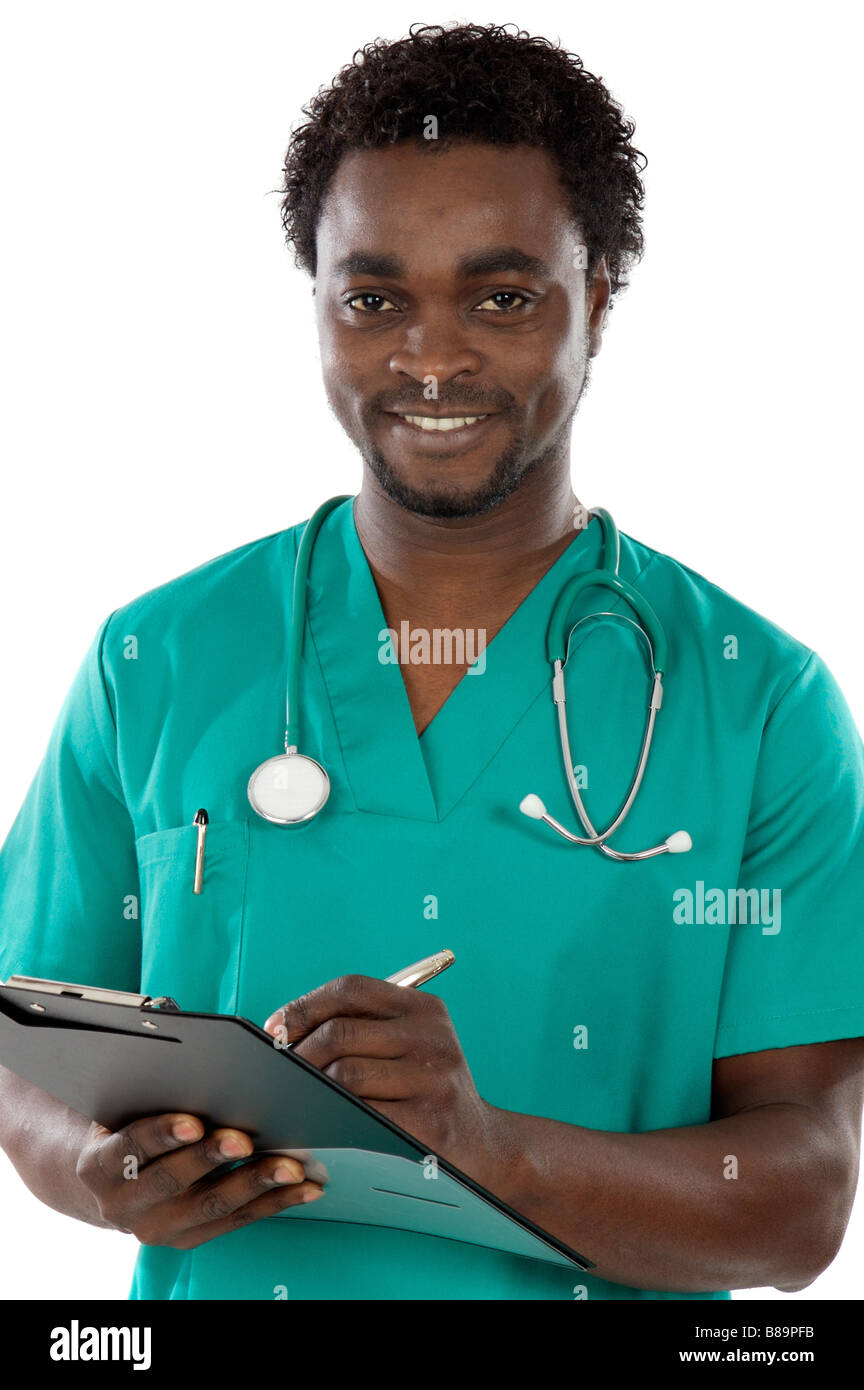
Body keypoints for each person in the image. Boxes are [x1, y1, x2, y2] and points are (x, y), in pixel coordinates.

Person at [1, 21, 863, 1303]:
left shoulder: (757, 702)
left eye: (503, 296)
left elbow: (800, 1201)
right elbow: (25, 1048)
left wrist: (484, 1148)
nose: (433, 355)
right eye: (375, 298)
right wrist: (95, 1167)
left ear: (602, 296)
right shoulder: (158, 658)